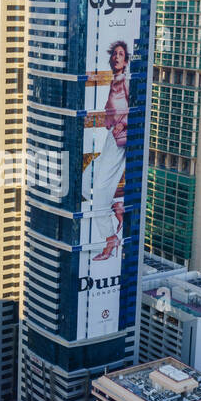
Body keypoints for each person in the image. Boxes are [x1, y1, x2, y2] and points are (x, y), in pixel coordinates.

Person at [82, 40, 130, 261]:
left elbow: (139, 112)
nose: (116, 57)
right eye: (114, 54)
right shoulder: (115, 81)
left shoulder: (127, 82)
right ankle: (116, 207)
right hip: (111, 139)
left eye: (121, 54)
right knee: (85, 180)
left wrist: (123, 123)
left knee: (99, 192)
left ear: (126, 59)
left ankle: (111, 240)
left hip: (121, 142)